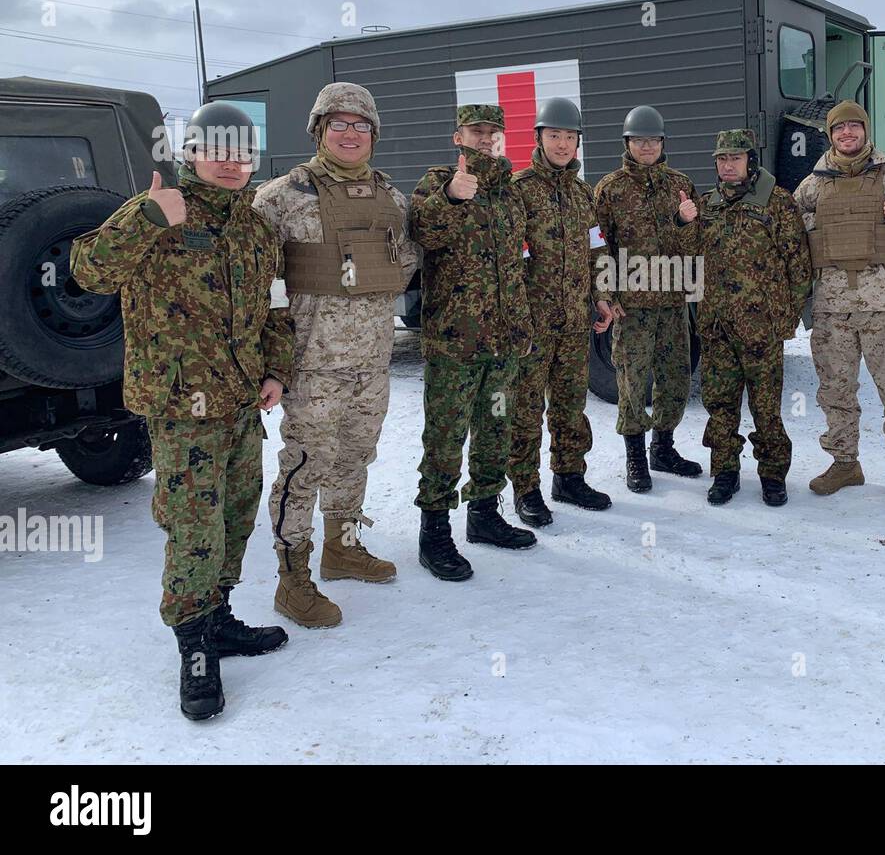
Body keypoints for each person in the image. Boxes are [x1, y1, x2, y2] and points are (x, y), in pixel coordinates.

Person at [71, 101, 293, 721]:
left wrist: (277, 370)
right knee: (193, 526)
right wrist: (147, 216)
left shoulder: (254, 228)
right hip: (180, 403)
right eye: (217, 150)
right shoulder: (160, 210)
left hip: (243, 400)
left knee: (237, 516)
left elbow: (275, 307)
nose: (230, 163)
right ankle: (193, 643)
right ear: (192, 152)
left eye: (241, 153)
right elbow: (87, 272)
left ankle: (217, 615)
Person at [254, 83, 420, 627]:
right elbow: (256, 286)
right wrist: (270, 364)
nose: (350, 135)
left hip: (372, 362)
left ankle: (342, 548)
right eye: (338, 125)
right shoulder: (280, 197)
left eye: (361, 125)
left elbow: (406, 266)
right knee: (303, 468)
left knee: (355, 458)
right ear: (319, 131)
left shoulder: (393, 199)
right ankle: (292, 580)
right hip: (310, 366)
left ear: (374, 134)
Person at [792, 101, 885, 508]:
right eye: (839, 128)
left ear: (865, 130)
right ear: (830, 135)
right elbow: (788, 232)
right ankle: (845, 463)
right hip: (831, 308)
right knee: (835, 391)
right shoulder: (813, 184)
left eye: (854, 127)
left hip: (884, 309)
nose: (847, 134)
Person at [408, 104, 538, 582]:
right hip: (454, 346)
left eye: (493, 132)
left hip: (504, 345)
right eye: (476, 131)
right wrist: (451, 197)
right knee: (445, 438)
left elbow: (521, 262)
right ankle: (434, 532)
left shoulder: (510, 191)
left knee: (496, 429)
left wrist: (523, 325)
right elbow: (423, 232)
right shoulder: (438, 181)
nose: (485, 139)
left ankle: (484, 513)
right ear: (456, 136)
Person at [676, 129, 811, 507]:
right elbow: (690, 259)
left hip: (761, 328)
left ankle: (772, 474)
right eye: (722, 159)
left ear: (750, 160)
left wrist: (787, 317)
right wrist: (685, 224)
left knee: (766, 407)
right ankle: (724, 472)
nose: (728, 165)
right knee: (720, 406)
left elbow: (798, 264)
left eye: (735, 158)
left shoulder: (777, 202)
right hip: (718, 327)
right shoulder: (708, 205)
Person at [508, 97, 616, 524]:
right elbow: (509, 259)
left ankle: (569, 476)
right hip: (532, 325)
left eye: (570, 137)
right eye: (554, 135)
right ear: (539, 138)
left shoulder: (581, 193)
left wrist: (602, 296)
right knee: (526, 408)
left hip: (574, 322)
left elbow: (596, 249)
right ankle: (525, 488)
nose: (562, 144)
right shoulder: (519, 190)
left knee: (571, 405)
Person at [593, 105, 702, 492]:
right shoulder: (610, 188)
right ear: (627, 143)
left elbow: (696, 246)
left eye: (653, 140)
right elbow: (600, 247)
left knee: (675, 379)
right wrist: (606, 292)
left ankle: (663, 448)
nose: (647, 147)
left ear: (662, 143)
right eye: (639, 140)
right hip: (633, 307)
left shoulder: (681, 184)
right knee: (632, 382)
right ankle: (636, 457)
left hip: (673, 304)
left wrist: (688, 223)